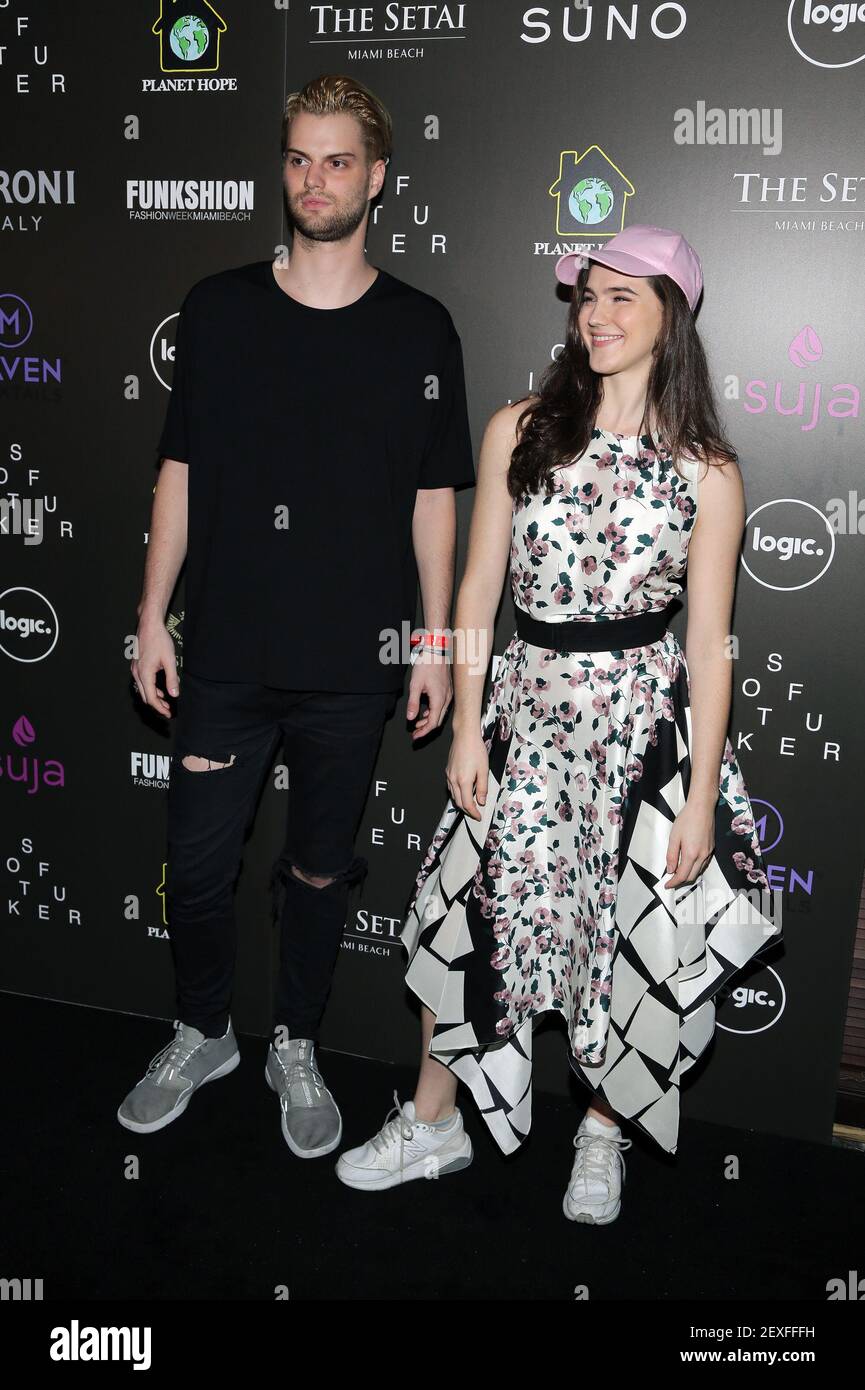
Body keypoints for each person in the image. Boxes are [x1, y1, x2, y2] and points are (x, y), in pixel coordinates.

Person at [336, 224, 782, 1222]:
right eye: (589, 291)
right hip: (526, 718)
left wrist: (700, 797)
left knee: (620, 939)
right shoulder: (518, 429)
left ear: (672, 318)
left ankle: (600, 1129)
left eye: (626, 295)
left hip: (637, 736)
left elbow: (710, 644)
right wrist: (459, 728)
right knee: (465, 920)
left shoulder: (707, 470)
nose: (597, 310)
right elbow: (476, 587)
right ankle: (434, 1120)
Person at [117, 74, 475, 1157]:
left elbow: (432, 496)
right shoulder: (219, 306)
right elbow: (176, 468)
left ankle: (295, 1042)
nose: (313, 180)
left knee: (322, 868)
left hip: (352, 662)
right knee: (204, 864)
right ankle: (203, 1028)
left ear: (377, 177)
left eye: (336, 161)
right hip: (223, 649)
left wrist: (435, 641)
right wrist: (152, 611)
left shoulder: (419, 327)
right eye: (297, 159)